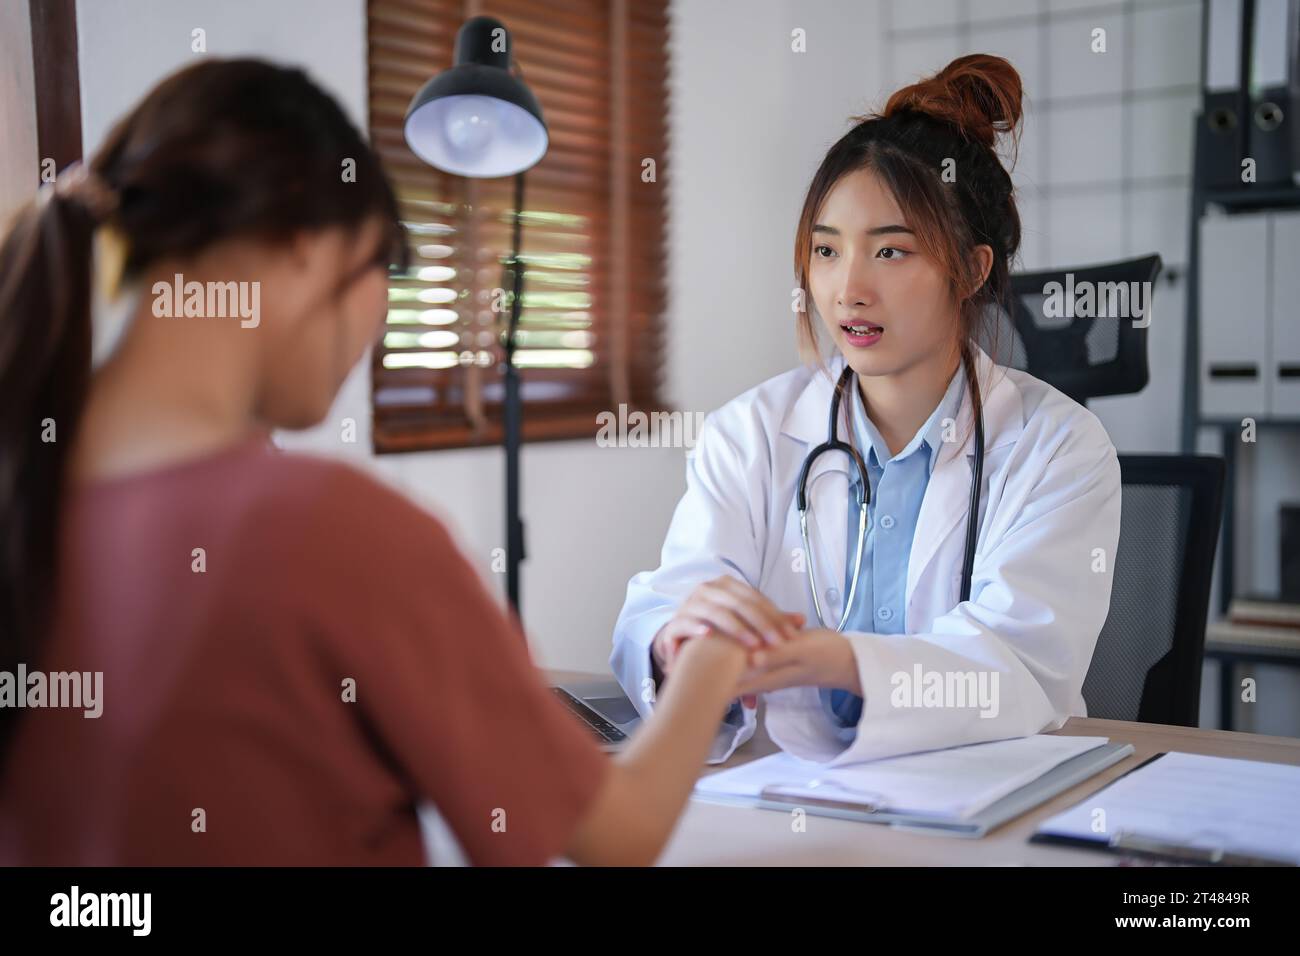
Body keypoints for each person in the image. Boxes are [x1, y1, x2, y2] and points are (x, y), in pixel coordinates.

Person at [0, 57, 753, 866]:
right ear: (303, 247)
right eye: (381, 267)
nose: (377, 323)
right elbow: (616, 832)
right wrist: (713, 659)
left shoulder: (27, 488)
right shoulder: (330, 529)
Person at [611, 55, 1123, 765]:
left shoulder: (1059, 447)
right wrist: (677, 641)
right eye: (826, 250)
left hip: (986, 792)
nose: (848, 289)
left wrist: (842, 663)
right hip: (792, 795)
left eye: (890, 251)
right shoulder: (749, 434)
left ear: (972, 269)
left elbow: (1023, 665)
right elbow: (664, 605)